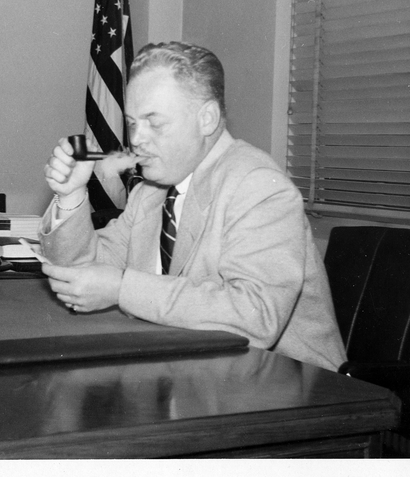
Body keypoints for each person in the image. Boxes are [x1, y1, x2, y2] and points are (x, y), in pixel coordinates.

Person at [39, 41, 346, 371]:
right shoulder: (151, 193)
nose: (137, 139)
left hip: (289, 390)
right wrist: (71, 196)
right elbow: (80, 277)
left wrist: (121, 288)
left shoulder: (258, 186)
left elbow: (255, 317)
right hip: (190, 374)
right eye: (131, 123)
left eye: (154, 122)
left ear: (208, 119)